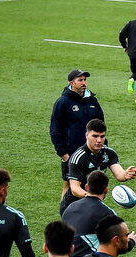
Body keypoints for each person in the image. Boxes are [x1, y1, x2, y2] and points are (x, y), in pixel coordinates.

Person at [62, 119, 136, 216]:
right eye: (95, 136)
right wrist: (92, 197)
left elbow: (119, 175)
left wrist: (125, 174)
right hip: (73, 207)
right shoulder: (78, 158)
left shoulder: (108, 153)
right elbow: (75, 189)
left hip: (94, 205)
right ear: (86, 135)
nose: (99, 140)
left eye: (102, 136)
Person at [49, 69, 105, 202]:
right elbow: (55, 130)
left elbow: (101, 125)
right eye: (80, 80)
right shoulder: (63, 102)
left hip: (92, 152)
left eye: (85, 80)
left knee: (93, 185)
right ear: (71, 83)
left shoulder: (92, 101)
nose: (84, 83)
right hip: (71, 153)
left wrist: (102, 146)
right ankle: (66, 215)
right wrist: (64, 154)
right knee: (69, 186)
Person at [63, 170, 136, 257]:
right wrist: (131, 240)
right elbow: (119, 245)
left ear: (86, 187)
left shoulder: (70, 208)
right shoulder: (107, 214)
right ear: (106, 189)